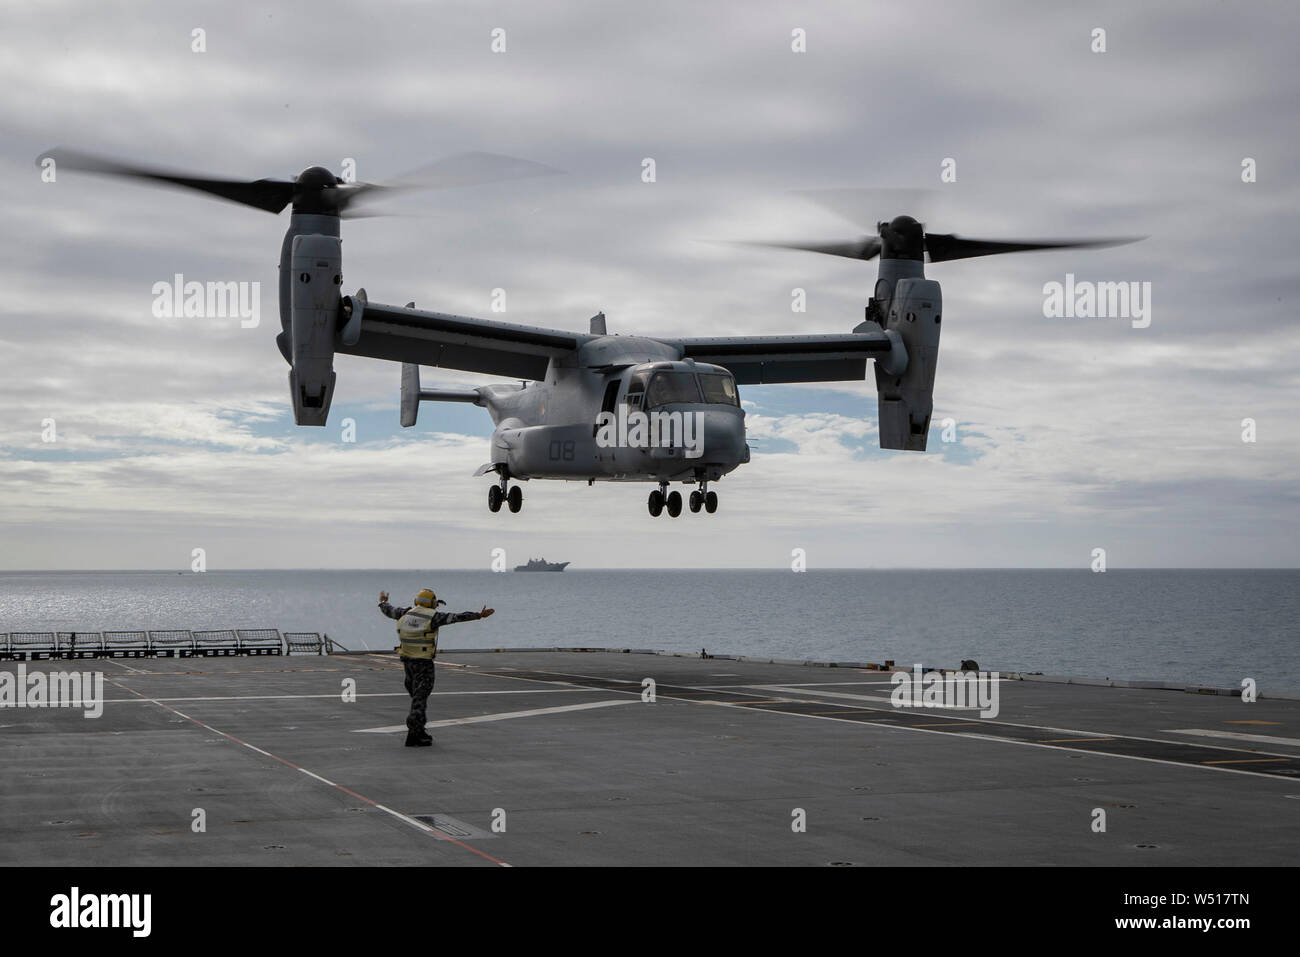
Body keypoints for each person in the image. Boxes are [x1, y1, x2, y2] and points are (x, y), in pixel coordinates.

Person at [378, 588, 495, 747]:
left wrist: (383, 601)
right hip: (424, 664)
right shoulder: (433, 617)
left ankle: (419, 730)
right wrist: (478, 615)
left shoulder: (405, 613)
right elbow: (457, 617)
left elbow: (388, 610)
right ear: (432, 602)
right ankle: (414, 733)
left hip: (407, 663)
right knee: (420, 698)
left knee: (417, 698)